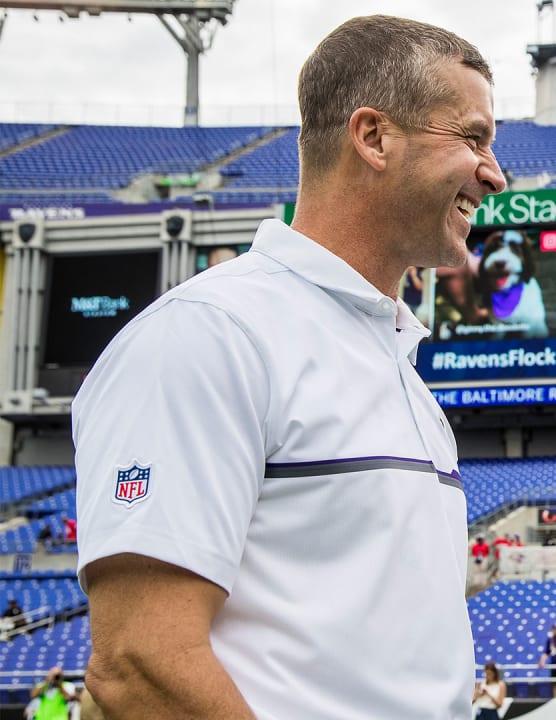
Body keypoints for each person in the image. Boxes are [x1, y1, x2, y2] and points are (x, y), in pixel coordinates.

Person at [73, 15, 505, 720]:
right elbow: (140, 664)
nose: (493, 172)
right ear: (373, 138)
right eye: (473, 137)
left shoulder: (404, 373)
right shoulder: (208, 336)